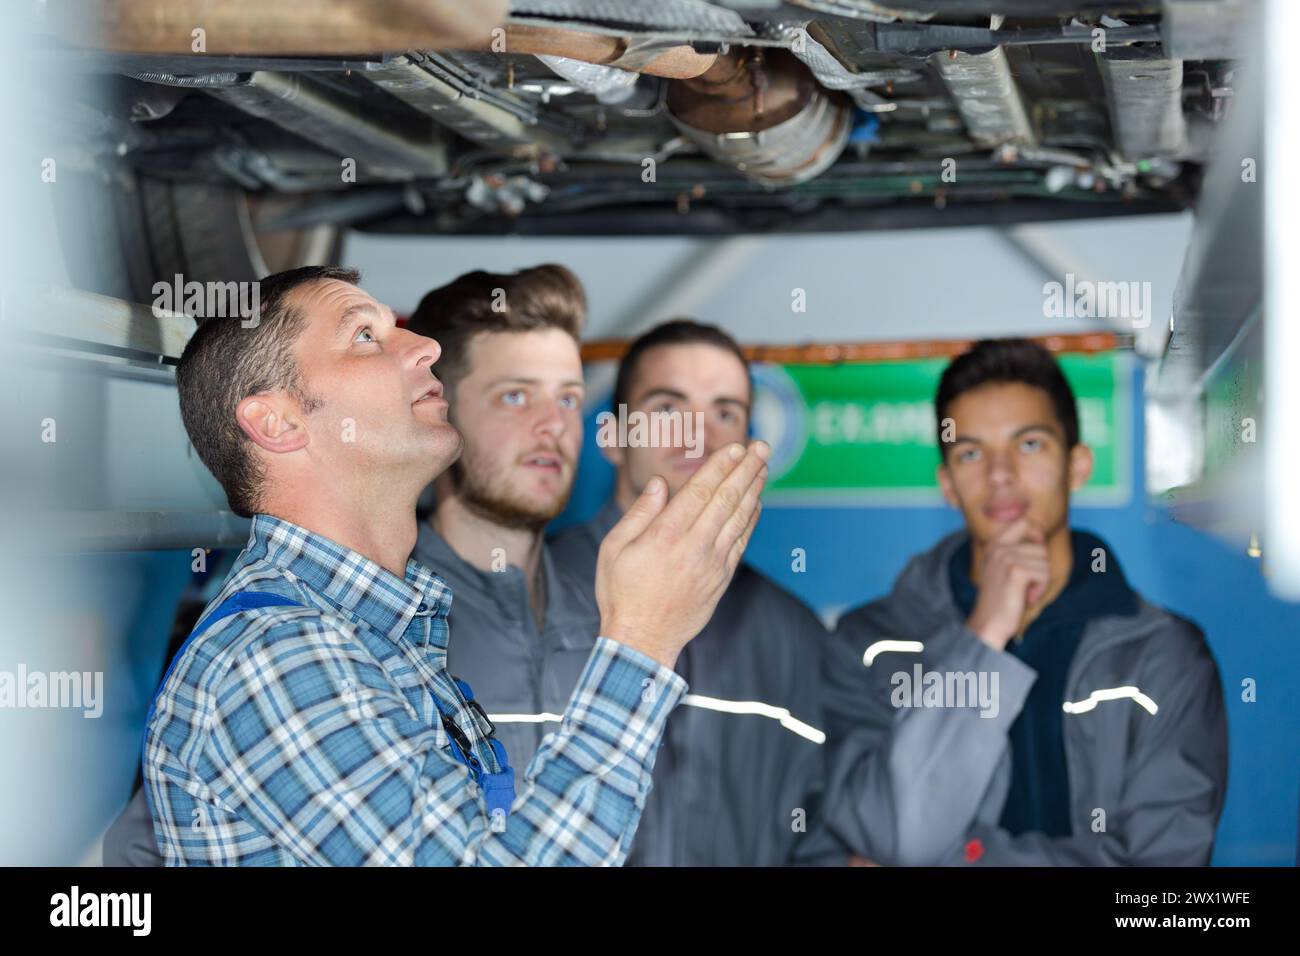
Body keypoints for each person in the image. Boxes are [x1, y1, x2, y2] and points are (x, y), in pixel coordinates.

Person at [139, 265, 769, 865]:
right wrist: (642, 639)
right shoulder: (274, 659)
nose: (424, 348)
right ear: (277, 422)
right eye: (365, 336)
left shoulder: (378, 637)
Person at [815, 338, 1227, 866]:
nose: (1001, 475)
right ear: (947, 484)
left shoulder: (1161, 653)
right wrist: (983, 636)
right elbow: (895, 838)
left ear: (1077, 465)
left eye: (1029, 445)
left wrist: (968, 858)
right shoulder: (869, 645)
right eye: (970, 453)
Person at [551, 319, 834, 866]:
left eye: (724, 413)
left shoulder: (792, 629)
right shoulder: (528, 593)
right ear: (612, 437)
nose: (698, 436)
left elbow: (821, 827)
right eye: (667, 409)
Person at [405, 265, 604, 787]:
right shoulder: (378, 625)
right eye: (515, 396)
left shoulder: (617, 622)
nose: (554, 425)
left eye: (569, 399)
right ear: (436, 413)